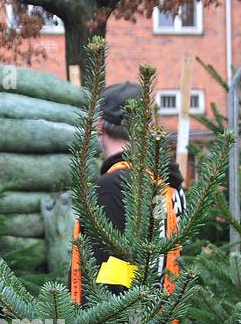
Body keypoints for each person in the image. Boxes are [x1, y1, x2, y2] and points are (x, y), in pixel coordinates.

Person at [69, 81, 186, 308]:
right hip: (161, 312)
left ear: (99, 127)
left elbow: (103, 273)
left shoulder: (112, 186)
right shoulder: (170, 181)